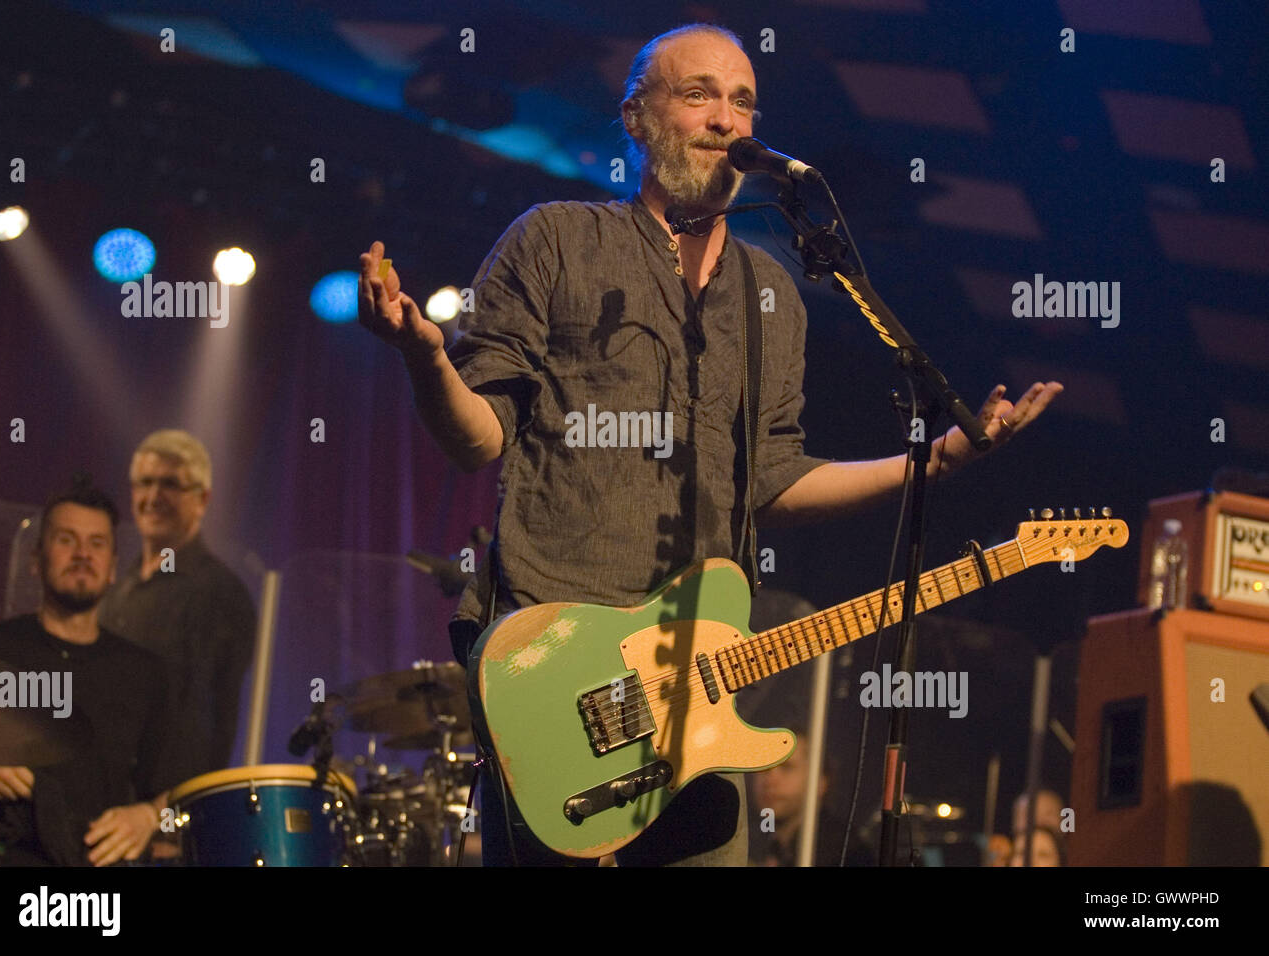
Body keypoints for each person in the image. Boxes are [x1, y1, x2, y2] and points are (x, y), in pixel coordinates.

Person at [358, 23, 1062, 866]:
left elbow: (773, 480)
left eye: (742, 100)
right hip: (555, 663)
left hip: (697, 685)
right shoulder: (555, 239)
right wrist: (425, 358)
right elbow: (477, 439)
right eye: (698, 94)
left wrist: (936, 459)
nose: (726, 118)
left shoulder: (773, 296)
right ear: (638, 117)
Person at [0, 478, 171, 865]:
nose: (82, 554)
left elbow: (173, 797)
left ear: (112, 568)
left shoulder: (146, 673)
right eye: (66, 540)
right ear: (35, 560)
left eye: (97, 544)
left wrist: (149, 817)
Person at [98, 430, 256, 791]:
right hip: (107, 803)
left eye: (170, 484)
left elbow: (208, 727)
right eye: (145, 482)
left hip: (159, 820)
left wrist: (168, 817)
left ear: (202, 499)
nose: (153, 497)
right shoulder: (120, 584)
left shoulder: (219, 593)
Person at [749, 731, 873, 866]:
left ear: (820, 782)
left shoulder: (846, 853)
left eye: (786, 767)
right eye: (763, 766)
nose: (769, 780)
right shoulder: (749, 842)